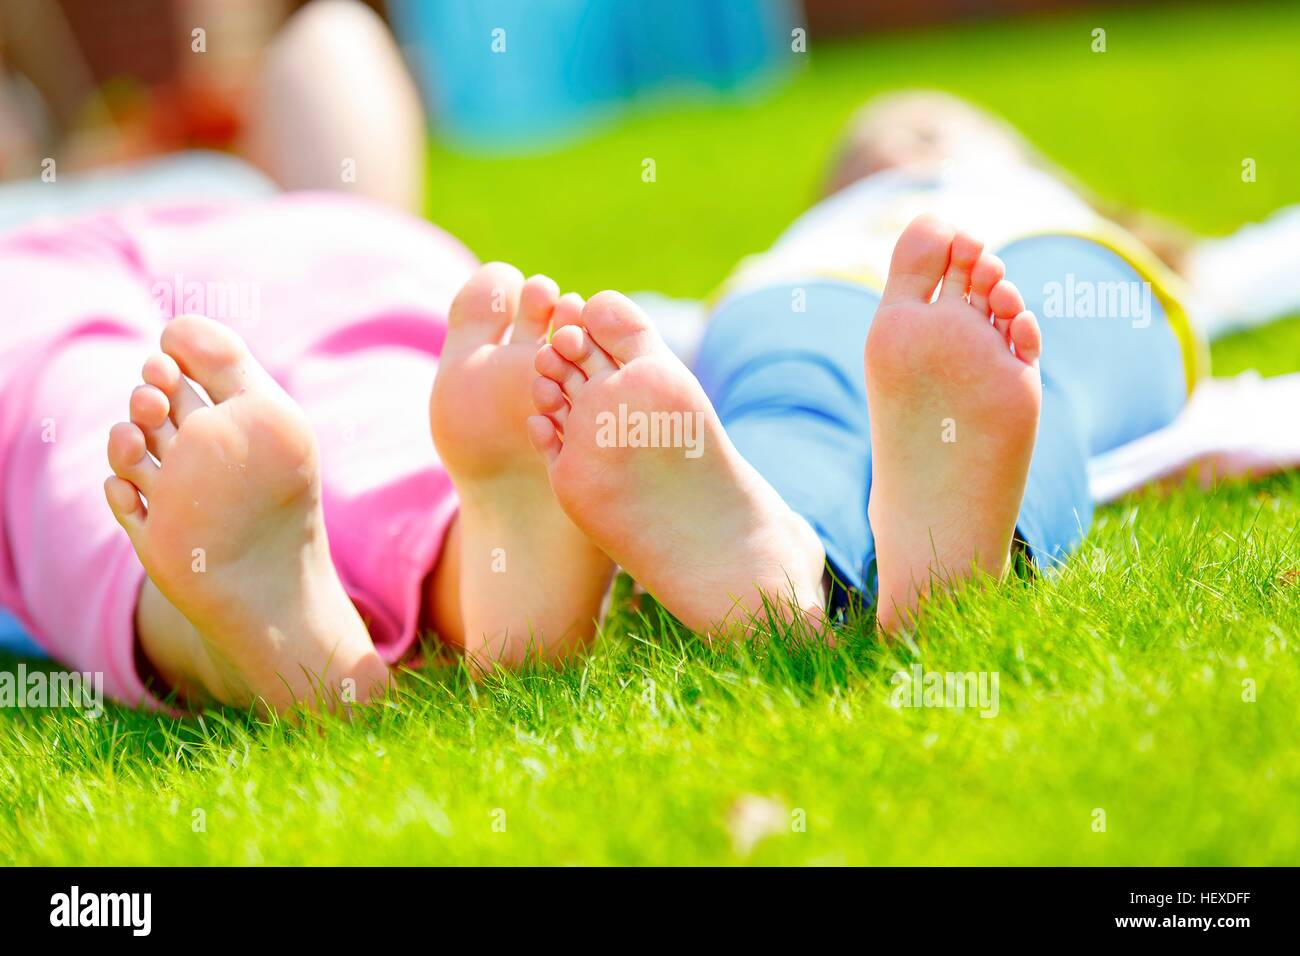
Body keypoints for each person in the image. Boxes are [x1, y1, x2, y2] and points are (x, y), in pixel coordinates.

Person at [0, 93, 1198, 713]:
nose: (904, 144)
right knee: (805, 409)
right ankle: (543, 560)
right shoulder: (794, 267)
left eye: (933, 130)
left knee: (119, 422)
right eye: (894, 138)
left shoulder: (1111, 247)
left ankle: (449, 577)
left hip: (945, 292)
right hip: (811, 315)